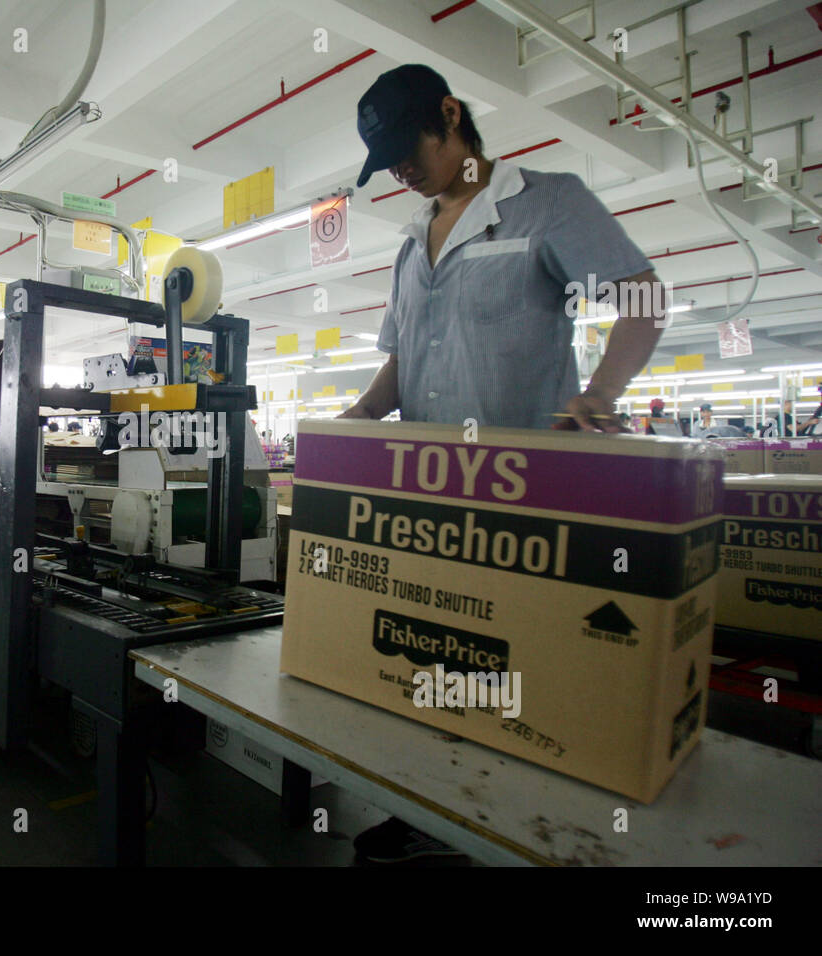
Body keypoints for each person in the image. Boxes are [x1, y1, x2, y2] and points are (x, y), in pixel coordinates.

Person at [340, 64, 665, 865]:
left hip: (524, 506)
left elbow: (644, 297)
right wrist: (356, 419)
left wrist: (600, 393)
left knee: (517, 675)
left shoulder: (546, 203)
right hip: (427, 505)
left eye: (408, 148)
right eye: (387, 160)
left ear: (451, 116)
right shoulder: (409, 242)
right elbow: (402, 362)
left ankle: (520, 833)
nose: (401, 169)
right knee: (428, 663)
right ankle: (427, 810)